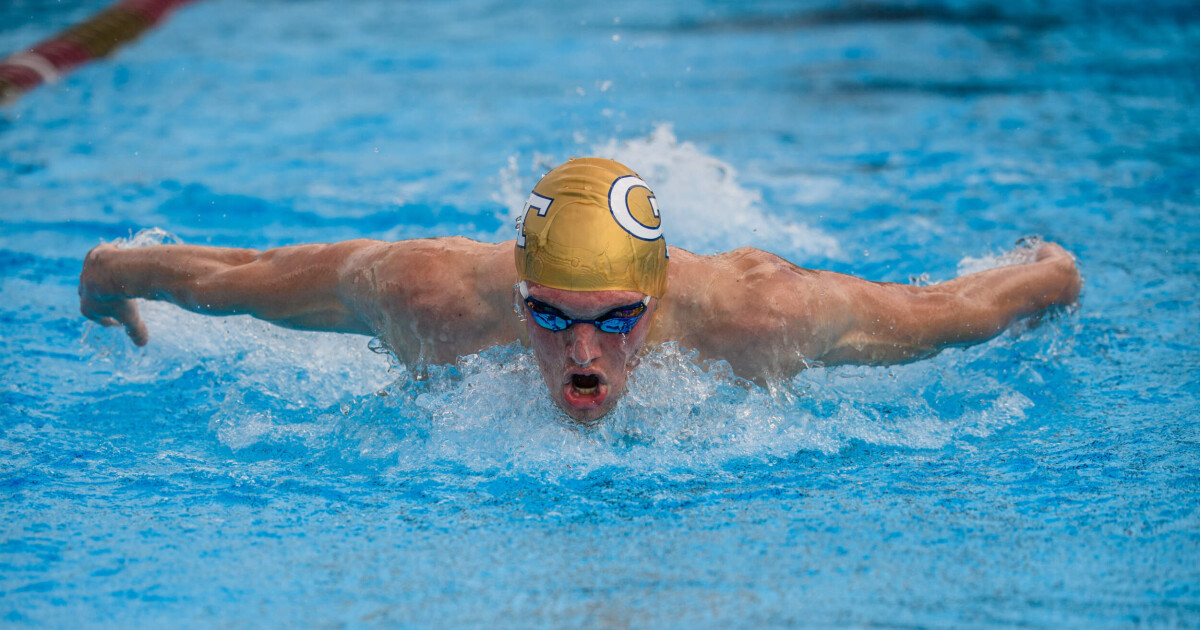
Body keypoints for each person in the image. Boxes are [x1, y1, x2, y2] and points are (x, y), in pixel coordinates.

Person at [79, 157, 1082, 423]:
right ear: (516, 292)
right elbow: (223, 278)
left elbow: (963, 310)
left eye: (616, 323)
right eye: (549, 317)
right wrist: (109, 284)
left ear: (660, 300)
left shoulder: (760, 318)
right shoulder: (426, 295)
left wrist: (1050, 272)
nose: (585, 357)